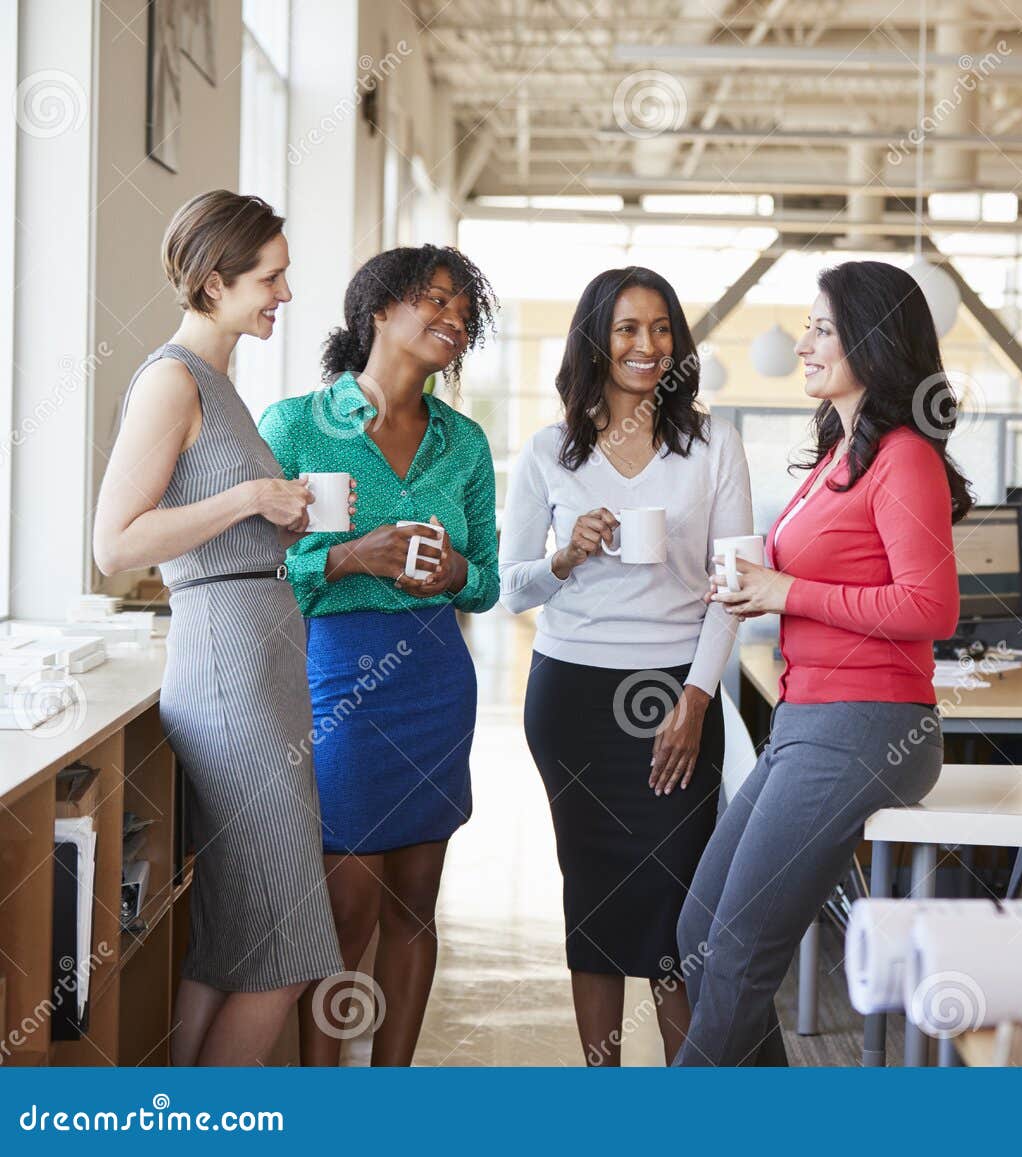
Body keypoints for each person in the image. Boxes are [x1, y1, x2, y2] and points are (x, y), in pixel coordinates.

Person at [675, 260, 973, 1066]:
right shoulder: (840, 451)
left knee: (736, 946)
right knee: (702, 929)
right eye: (805, 327)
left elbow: (929, 607)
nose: (804, 343)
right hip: (810, 720)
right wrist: (751, 585)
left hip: (867, 725)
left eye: (821, 328)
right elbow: (817, 577)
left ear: (872, 344)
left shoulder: (904, 455)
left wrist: (787, 589)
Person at [92, 191, 346, 1065]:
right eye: (270, 277)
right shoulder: (171, 379)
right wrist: (248, 498)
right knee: (285, 942)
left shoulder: (223, 385)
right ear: (213, 280)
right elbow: (114, 541)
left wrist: (277, 516)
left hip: (260, 661)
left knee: (233, 943)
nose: (284, 293)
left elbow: (210, 520)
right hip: (229, 674)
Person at [499, 266, 753, 1066]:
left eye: (661, 329)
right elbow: (510, 588)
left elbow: (734, 586)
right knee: (596, 902)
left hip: (676, 694)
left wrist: (697, 699)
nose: (647, 346)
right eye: (627, 329)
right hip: (572, 696)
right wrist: (566, 556)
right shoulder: (550, 452)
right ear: (596, 342)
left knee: (676, 910)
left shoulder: (714, 445)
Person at [258, 245, 501, 1067]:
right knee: (346, 912)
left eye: (465, 313)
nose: (455, 321)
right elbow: (255, 572)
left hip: (436, 675)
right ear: (378, 310)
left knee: (414, 908)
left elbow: (488, 582)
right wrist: (349, 556)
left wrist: (456, 568)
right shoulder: (294, 425)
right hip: (340, 677)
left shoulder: (463, 443)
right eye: (437, 301)